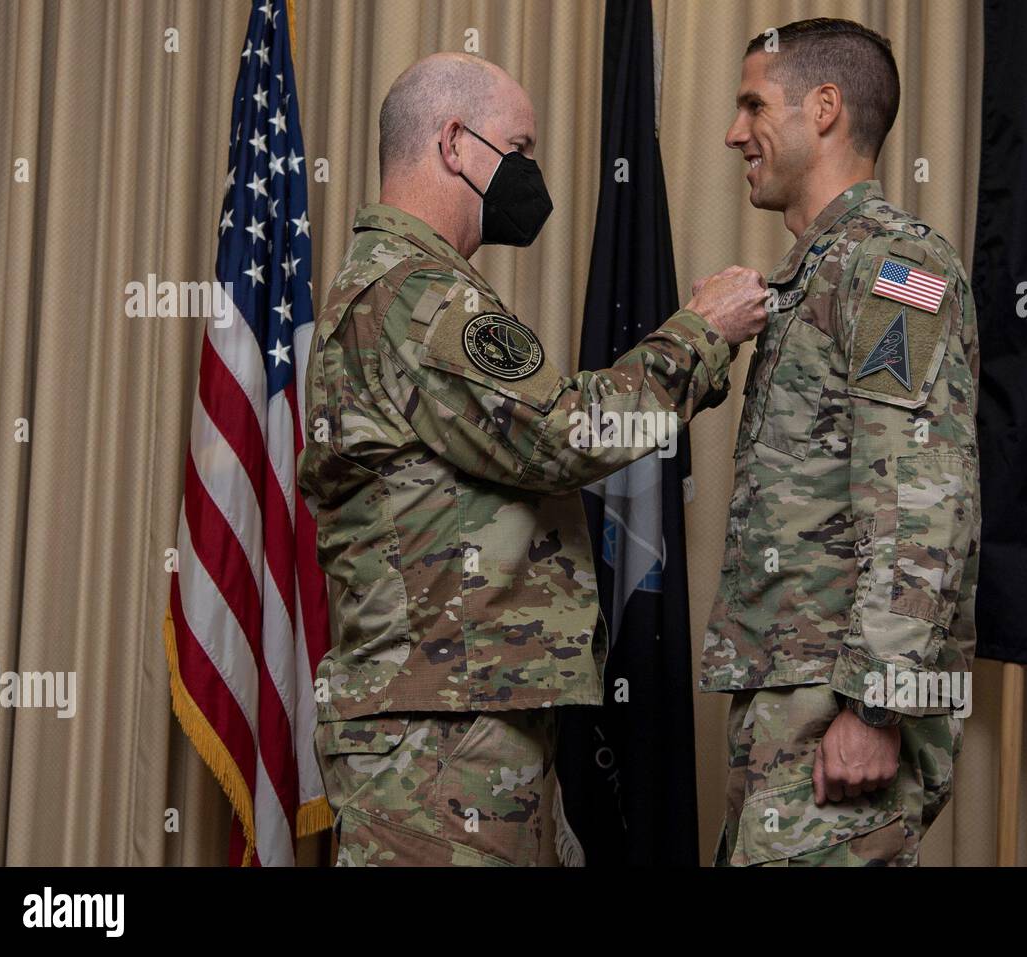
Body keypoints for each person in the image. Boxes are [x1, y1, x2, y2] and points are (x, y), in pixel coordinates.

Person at [296, 52, 767, 866]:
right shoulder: (414, 292)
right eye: (518, 148)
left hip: (460, 717)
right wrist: (702, 330)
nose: (531, 175)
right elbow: (562, 432)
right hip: (437, 735)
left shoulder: (411, 286)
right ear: (454, 142)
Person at [701, 18, 981, 866]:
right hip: (789, 702)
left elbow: (926, 497)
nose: (733, 131)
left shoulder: (894, 263)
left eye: (754, 104)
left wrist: (877, 707)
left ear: (823, 109)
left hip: (838, 708)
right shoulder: (817, 270)